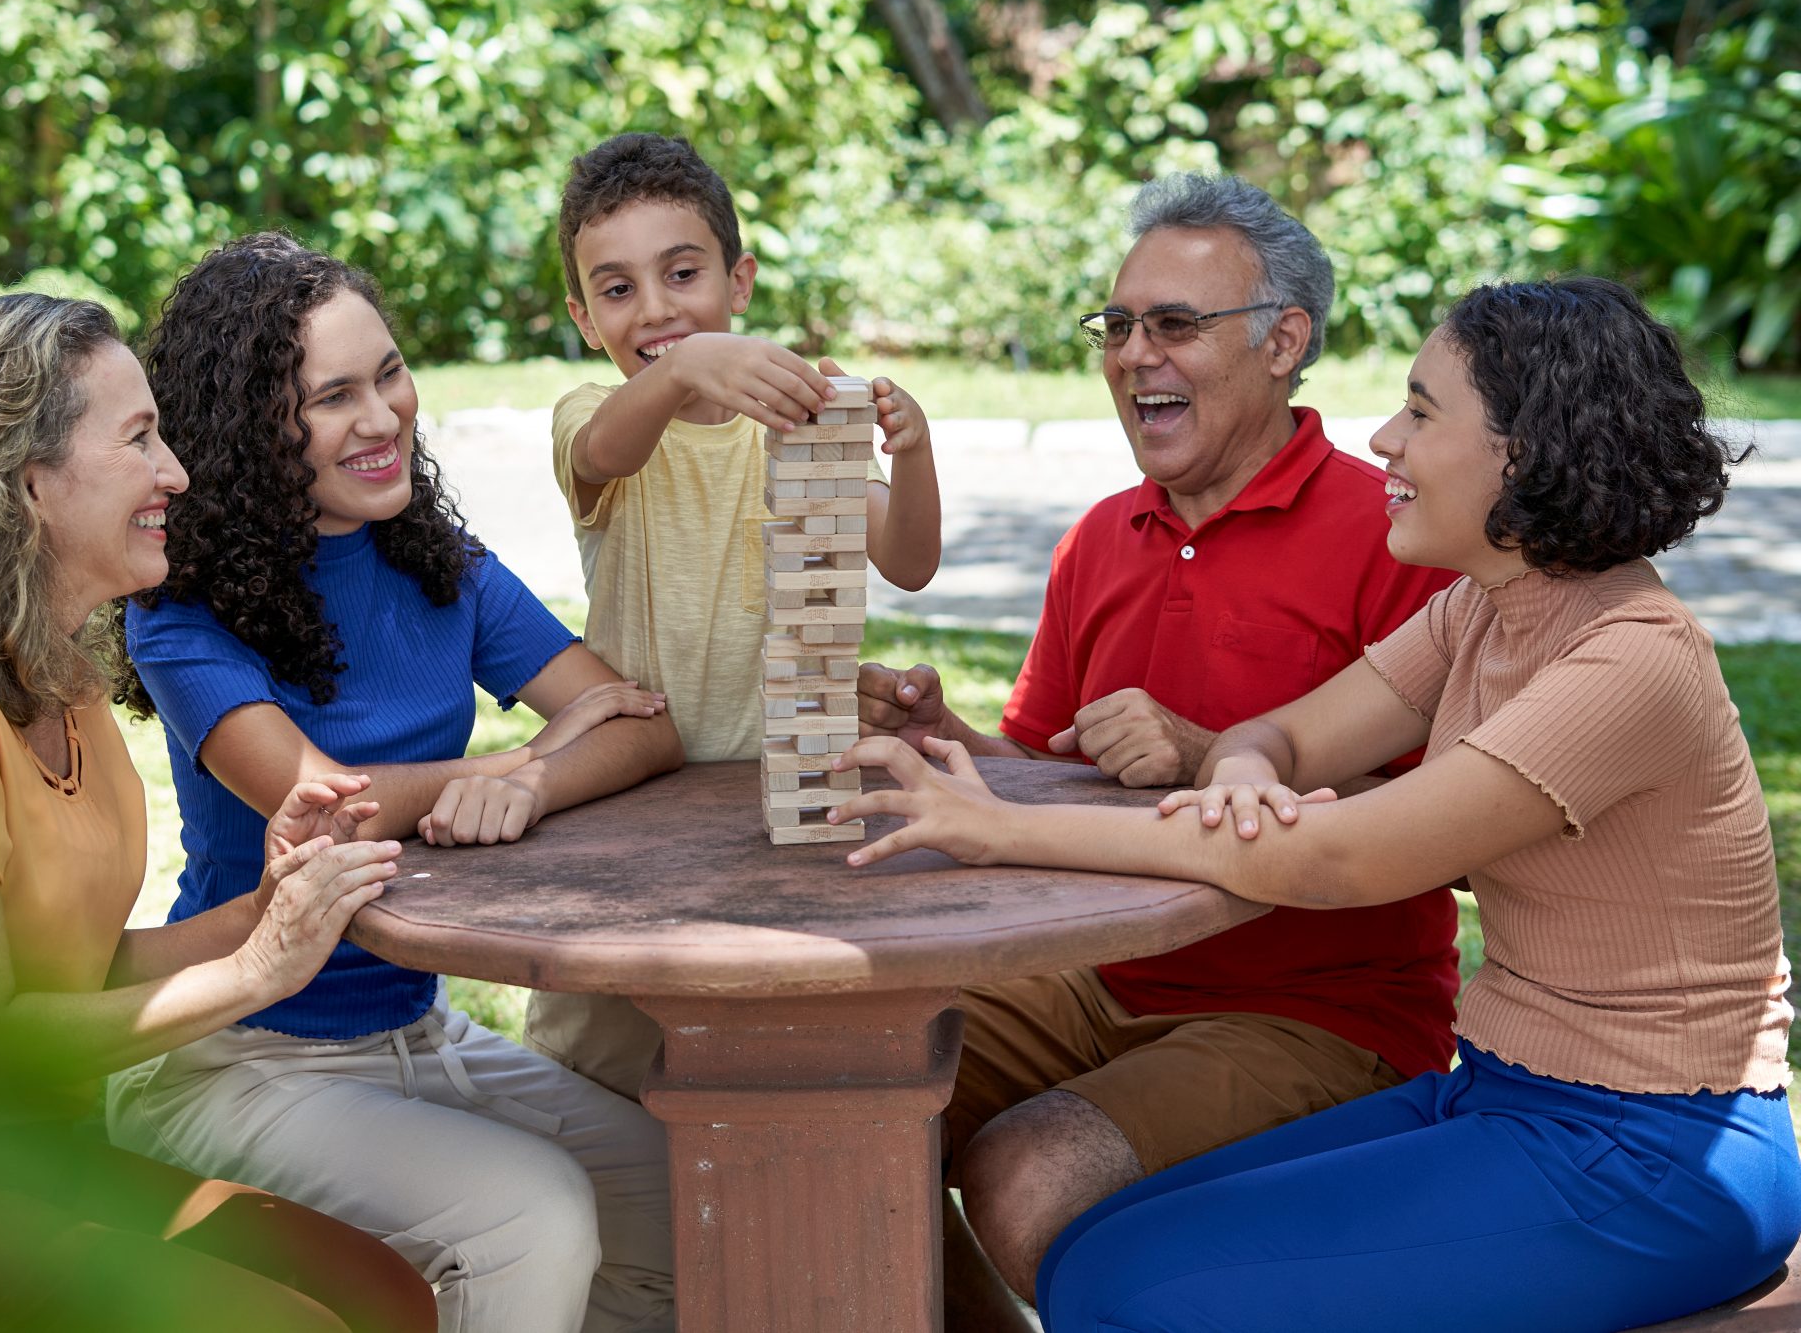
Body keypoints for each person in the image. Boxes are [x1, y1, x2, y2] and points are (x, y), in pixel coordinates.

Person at [837, 276, 1801, 1332]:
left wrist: (1000, 828)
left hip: (1650, 1150)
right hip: (1497, 1094)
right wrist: (1246, 771)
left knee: (1127, 1287)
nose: (1384, 438)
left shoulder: (1629, 660)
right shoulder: (1483, 611)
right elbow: (1287, 734)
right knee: (1099, 1243)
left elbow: (1344, 859)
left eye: (1422, 413)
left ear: (1521, 451)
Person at [0, 293, 436, 1333]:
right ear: (24, 482)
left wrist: (263, 908)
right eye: (139, 440)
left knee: (380, 1296)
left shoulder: (57, 674)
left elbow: (58, 969)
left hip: (20, 1158)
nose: (176, 474)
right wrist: (254, 977)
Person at [857, 171, 1458, 1311]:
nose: (1134, 354)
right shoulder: (1098, 537)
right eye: (1118, 325)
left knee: (1026, 1174)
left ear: (1283, 341)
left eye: (1175, 324)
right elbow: (1046, 777)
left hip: (1321, 1011)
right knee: (836, 1100)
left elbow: (1451, 834)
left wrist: (1207, 751)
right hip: (1093, 976)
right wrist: (946, 737)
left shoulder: (1394, 533)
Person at [107, 233, 680, 1333]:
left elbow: (635, 729)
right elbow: (324, 801)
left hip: (421, 1034)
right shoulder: (179, 615)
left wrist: (533, 783)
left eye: (388, 375)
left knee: (683, 1192)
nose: (380, 418)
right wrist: (514, 759)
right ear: (248, 429)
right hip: (243, 1053)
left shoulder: (437, 563)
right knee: (532, 1217)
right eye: (331, 398)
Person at [526, 131, 944, 1100]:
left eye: (682, 273)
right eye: (618, 289)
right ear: (583, 317)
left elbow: (909, 561)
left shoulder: (790, 420)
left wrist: (911, 452)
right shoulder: (590, 412)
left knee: (767, 1054)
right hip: (630, 804)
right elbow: (607, 448)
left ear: (738, 279)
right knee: (607, 1059)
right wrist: (685, 370)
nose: (658, 309)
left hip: (786, 799)